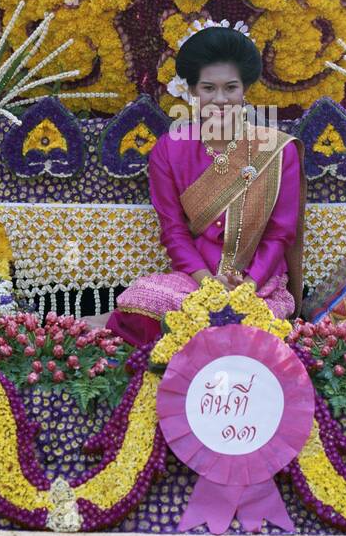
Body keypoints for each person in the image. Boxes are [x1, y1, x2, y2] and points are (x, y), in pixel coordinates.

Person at [107, 22, 305, 349]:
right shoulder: (170, 150)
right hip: (195, 280)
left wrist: (246, 285)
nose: (220, 100)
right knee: (139, 307)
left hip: (259, 283)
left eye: (231, 88)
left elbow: (280, 233)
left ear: (245, 90)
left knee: (248, 331)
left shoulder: (276, 151)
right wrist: (209, 284)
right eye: (208, 89)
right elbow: (173, 231)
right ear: (193, 92)